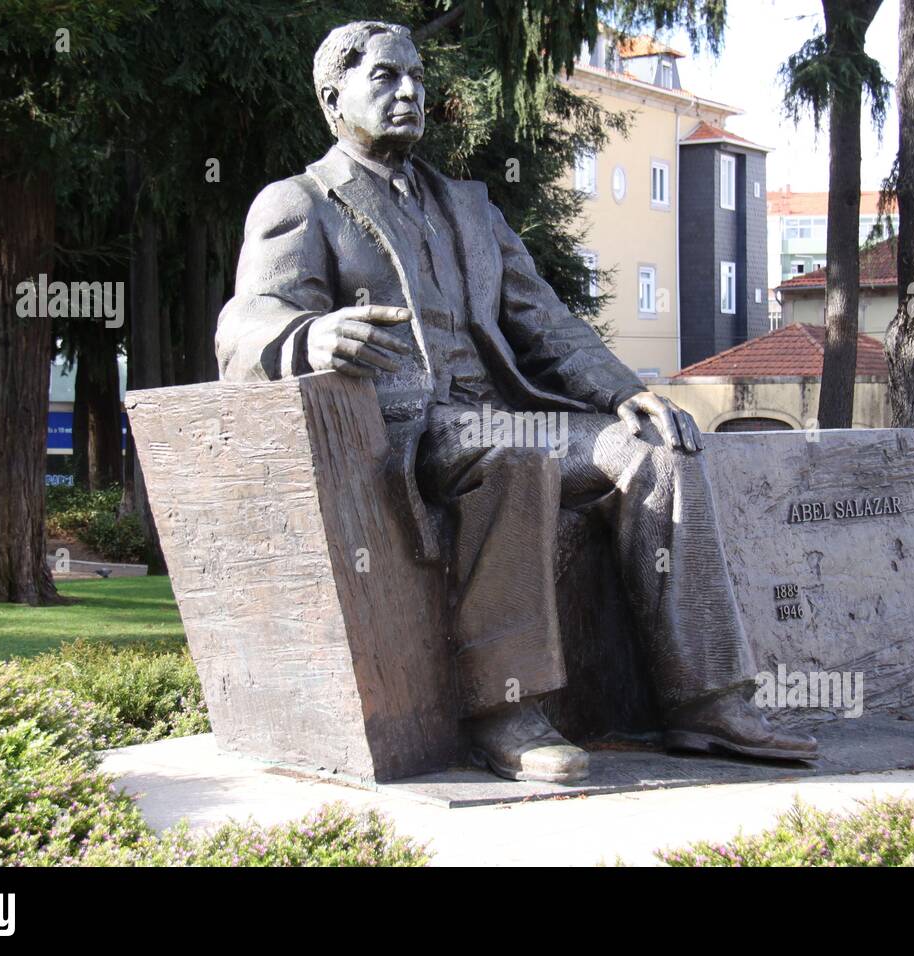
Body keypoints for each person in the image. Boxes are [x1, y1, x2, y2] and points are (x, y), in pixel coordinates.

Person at [216, 21, 817, 783]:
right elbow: (244, 320)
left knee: (660, 451)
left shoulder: (469, 207)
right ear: (334, 99)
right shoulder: (301, 203)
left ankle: (707, 704)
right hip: (409, 434)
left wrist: (627, 393)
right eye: (386, 79)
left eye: (417, 78)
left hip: (507, 415)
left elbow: (547, 322)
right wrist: (309, 336)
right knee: (513, 454)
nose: (409, 93)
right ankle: (506, 710)